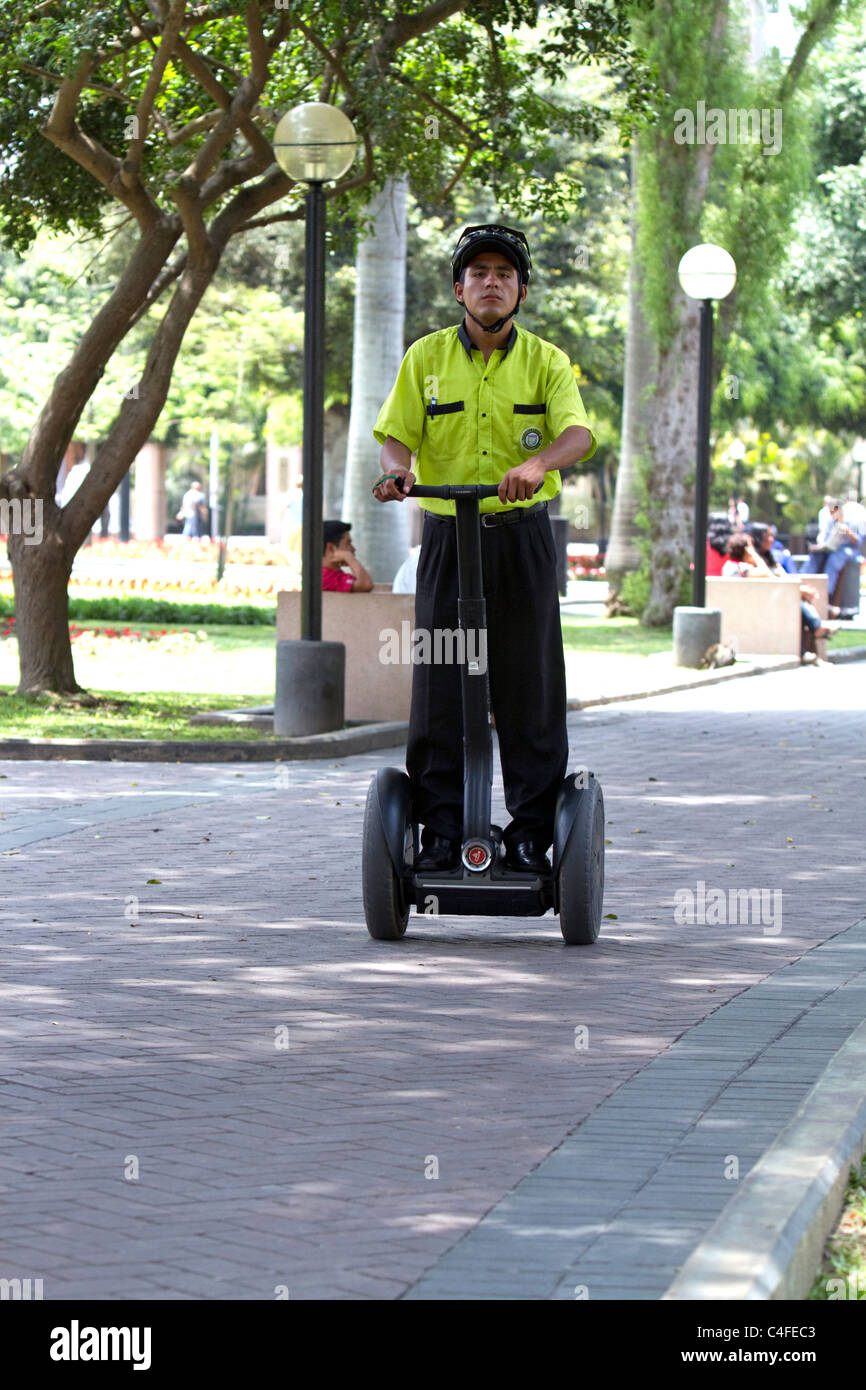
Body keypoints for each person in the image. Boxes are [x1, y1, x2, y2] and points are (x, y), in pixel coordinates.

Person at [372, 223, 596, 873]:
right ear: (459, 288)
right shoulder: (426, 358)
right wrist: (399, 470)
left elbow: (577, 434)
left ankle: (530, 832)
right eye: (478, 273)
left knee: (529, 683)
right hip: (447, 538)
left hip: (520, 538)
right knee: (441, 685)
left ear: (521, 290)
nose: (490, 282)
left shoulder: (547, 362)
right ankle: (440, 831)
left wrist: (540, 464)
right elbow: (396, 436)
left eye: (504, 273)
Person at [321, 519, 373, 592]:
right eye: (348, 543)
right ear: (331, 548)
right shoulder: (325, 577)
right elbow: (365, 584)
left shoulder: (332, 574)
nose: (353, 549)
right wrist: (348, 557)